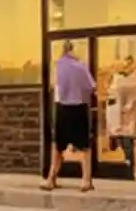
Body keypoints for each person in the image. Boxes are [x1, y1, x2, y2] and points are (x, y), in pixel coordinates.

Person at [41, 40, 96, 192]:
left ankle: (51, 179)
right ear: (72, 50)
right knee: (84, 146)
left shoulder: (57, 65)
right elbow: (91, 86)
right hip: (79, 107)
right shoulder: (81, 65)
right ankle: (86, 180)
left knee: (57, 146)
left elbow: (53, 85)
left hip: (62, 107)